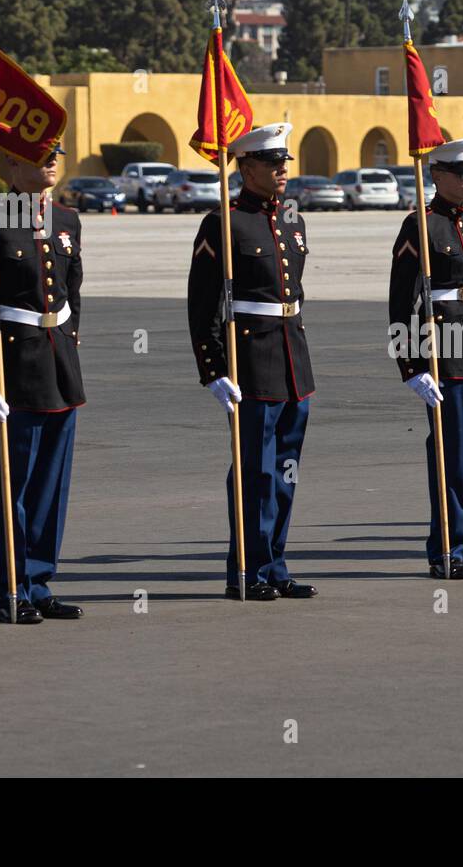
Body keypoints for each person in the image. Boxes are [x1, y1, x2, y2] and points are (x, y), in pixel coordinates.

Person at [0, 144, 85, 624]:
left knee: (52, 484)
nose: (52, 161)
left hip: (58, 369)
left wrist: (69, 349)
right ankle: (9, 588)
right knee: (11, 486)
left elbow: (73, 294)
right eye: (39, 154)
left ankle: (39, 580)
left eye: (57, 153)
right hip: (14, 370)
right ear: (11, 163)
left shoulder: (68, 220)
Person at [187, 122, 317, 601]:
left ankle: (276, 562)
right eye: (272, 163)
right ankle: (247, 569)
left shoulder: (293, 221)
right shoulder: (222, 223)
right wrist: (214, 370)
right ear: (245, 168)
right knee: (253, 472)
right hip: (251, 362)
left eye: (284, 162)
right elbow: (201, 306)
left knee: (285, 471)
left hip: (292, 360)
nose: (282, 170)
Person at [388, 136, 463, 580]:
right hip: (443, 351)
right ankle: (445, 548)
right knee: (449, 454)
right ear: (436, 176)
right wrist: (411, 366)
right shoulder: (419, 227)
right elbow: (401, 303)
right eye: (462, 174)